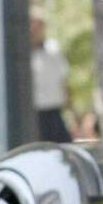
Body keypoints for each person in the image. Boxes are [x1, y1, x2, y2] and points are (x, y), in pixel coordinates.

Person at [30, 11, 72, 142]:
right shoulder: (23, 56)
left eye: (39, 26)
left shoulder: (54, 48)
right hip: (35, 114)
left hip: (55, 112)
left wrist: (70, 106)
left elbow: (64, 78)